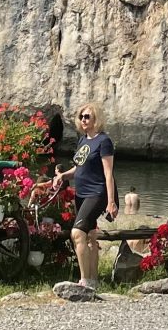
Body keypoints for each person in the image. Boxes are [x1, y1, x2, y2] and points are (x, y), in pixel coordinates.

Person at [47, 104, 117, 298]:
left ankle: (84, 281)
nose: (83, 120)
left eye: (87, 116)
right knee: (90, 236)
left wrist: (111, 201)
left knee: (77, 233)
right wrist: (63, 176)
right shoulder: (82, 141)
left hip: (97, 193)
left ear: (96, 119)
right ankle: (94, 280)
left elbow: (108, 173)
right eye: (81, 117)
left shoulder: (104, 141)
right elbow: (78, 169)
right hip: (82, 193)